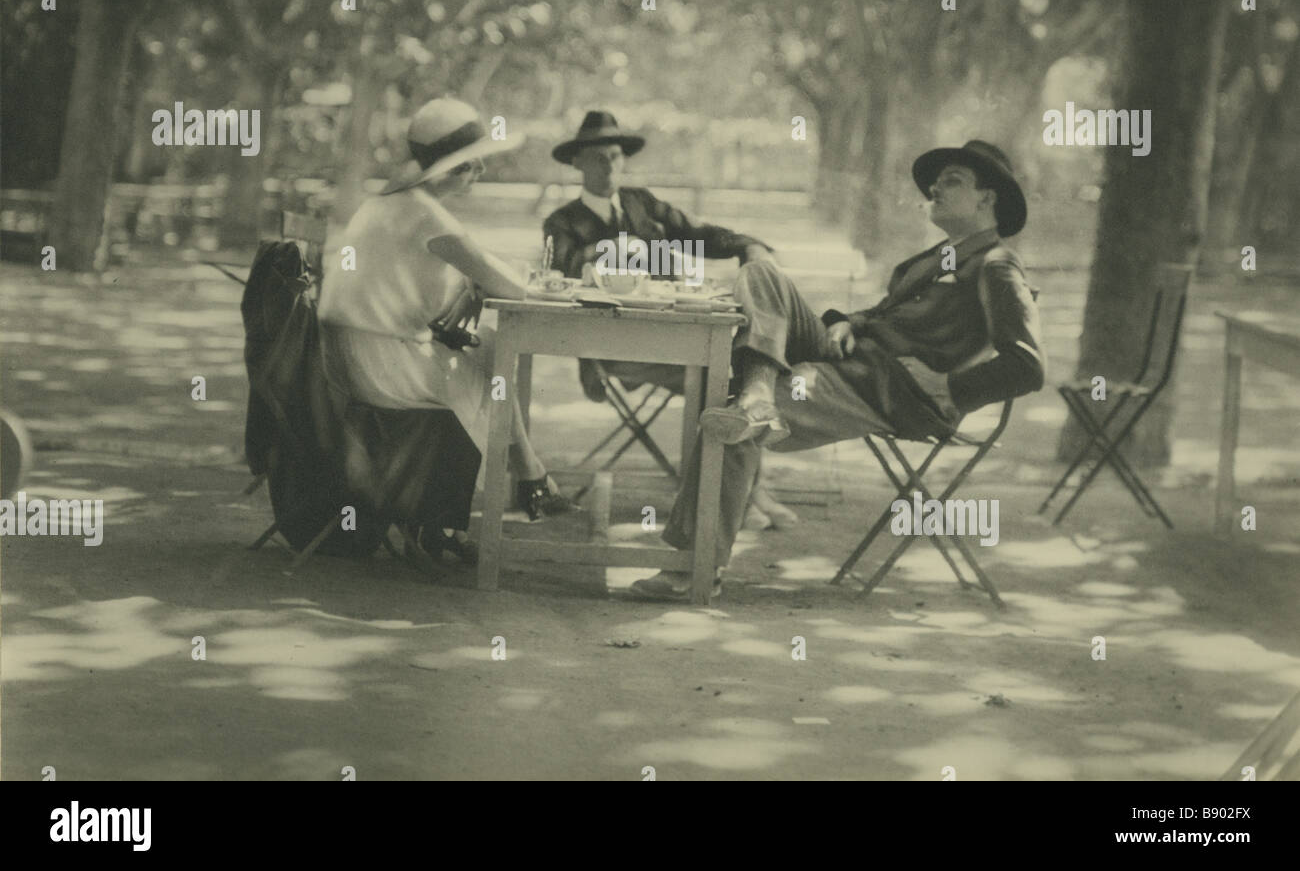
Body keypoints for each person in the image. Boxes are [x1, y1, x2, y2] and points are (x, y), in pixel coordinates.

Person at [628, 139, 1046, 600]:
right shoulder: (940, 257)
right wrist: (852, 321)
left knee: (730, 422)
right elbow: (890, 312)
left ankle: (693, 568)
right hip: (856, 359)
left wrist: (950, 387)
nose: (934, 187)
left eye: (952, 181)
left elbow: (1026, 366)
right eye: (938, 179)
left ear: (987, 200)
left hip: (891, 389)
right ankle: (759, 393)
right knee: (760, 272)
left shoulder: (997, 265)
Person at [317, 98, 570, 576]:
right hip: (375, 359)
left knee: (491, 349)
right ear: (448, 170)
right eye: (470, 163)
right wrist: (496, 279)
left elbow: (464, 268)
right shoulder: (425, 215)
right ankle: (519, 485)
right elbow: (511, 285)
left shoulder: (392, 202)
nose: (478, 171)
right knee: (490, 367)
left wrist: (479, 276)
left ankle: (524, 480)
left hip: (349, 351)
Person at [543, 109, 796, 527]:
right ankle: (734, 497)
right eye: (598, 157)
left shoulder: (641, 203)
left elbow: (696, 232)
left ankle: (743, 491)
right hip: (608, 345)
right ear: (577, 163)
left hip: (674, 337)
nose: (609, 165)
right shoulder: (562, 222)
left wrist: (749, 246)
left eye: (615, 156)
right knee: (717, 377)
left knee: (732, 372)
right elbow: (565, 269)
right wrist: (617, 251)